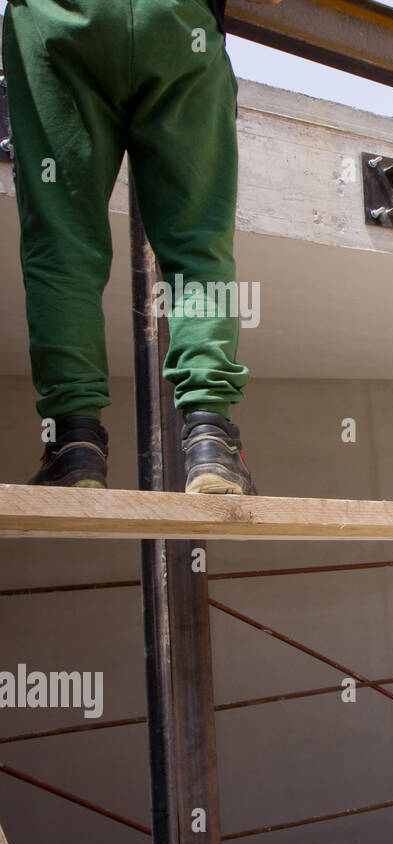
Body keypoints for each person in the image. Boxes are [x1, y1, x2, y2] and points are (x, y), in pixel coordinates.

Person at [2, 0, 279, 493]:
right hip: (175, 22)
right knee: (198, 245)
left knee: (62, 243)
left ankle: (75, 444)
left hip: (59, 20)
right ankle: (210, 439)